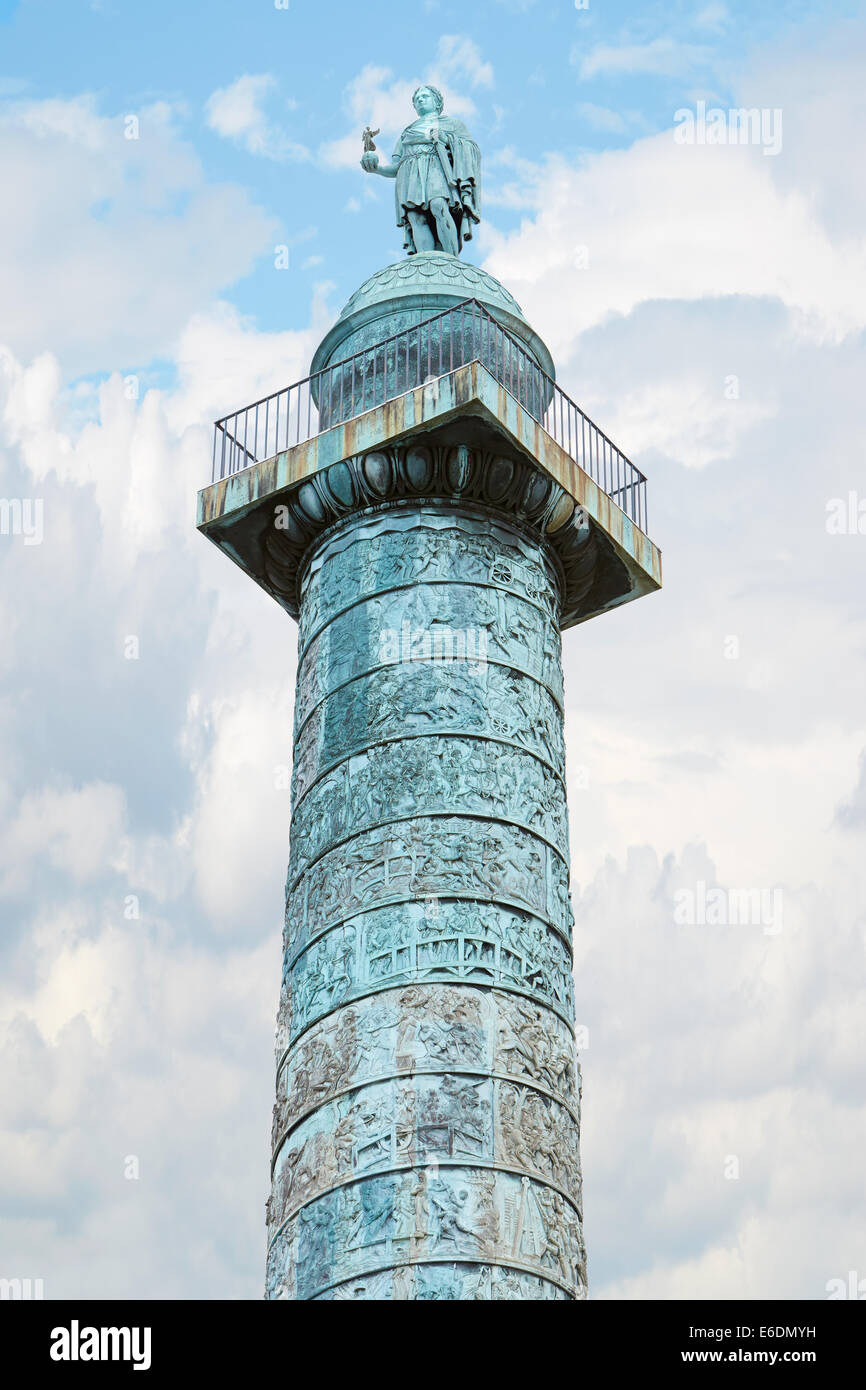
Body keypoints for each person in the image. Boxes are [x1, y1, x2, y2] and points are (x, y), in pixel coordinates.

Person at [361, 85, 481, 256]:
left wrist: (446, 138)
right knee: (416, 217)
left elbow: (471, 150)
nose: (420, 100)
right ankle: (425, 261)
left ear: (437, 102)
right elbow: (396, 166)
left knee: (438, 205)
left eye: (425, 96)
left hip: (435, 169)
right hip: (409, 174)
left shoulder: (452, 124)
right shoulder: (406, 133)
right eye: (417, 99)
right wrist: (376, 168)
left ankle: (450, 259)